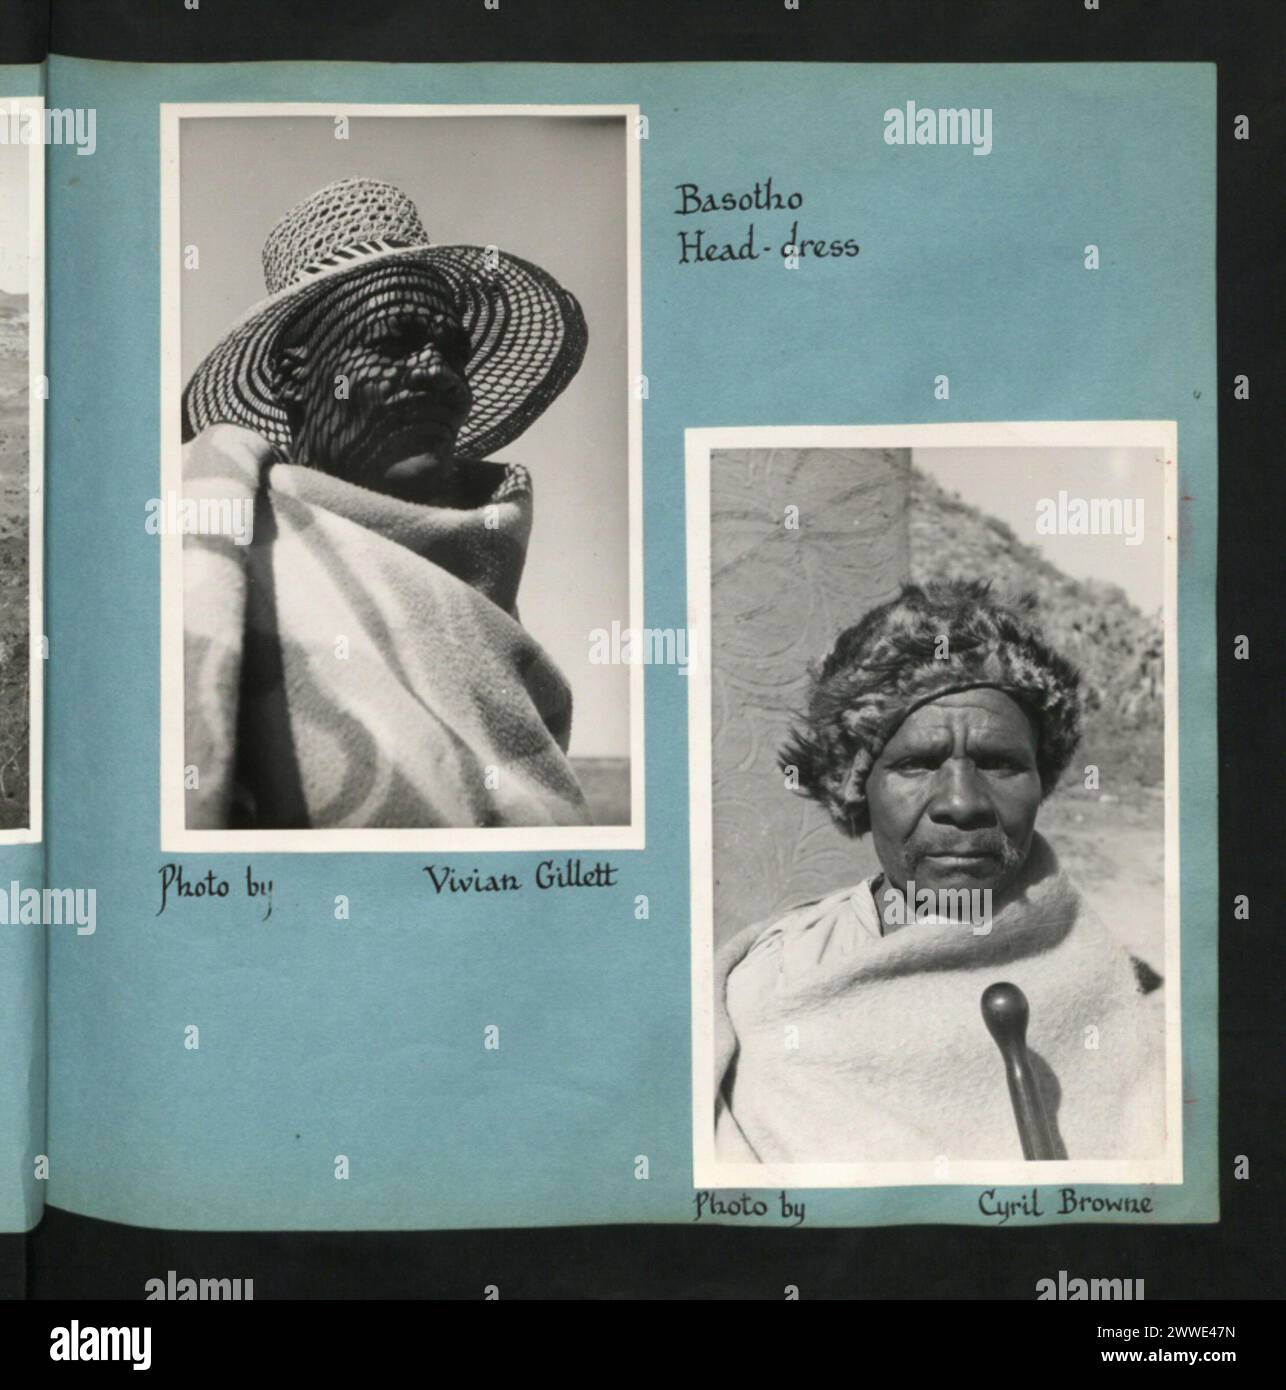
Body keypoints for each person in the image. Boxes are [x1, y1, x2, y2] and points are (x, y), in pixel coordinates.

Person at [180, 177, 592, 830]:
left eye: (453, 352)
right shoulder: (224, 544)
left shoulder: (478, 583)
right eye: (393, 344)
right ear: (294, 375)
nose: (440, 374)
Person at [714, 579, 1166, 1163]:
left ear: (1040, 782)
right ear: (857, 789)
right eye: (919, 764)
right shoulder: (769, 984)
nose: (963, 802)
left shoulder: (1132, 1006)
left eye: (1000, 764)